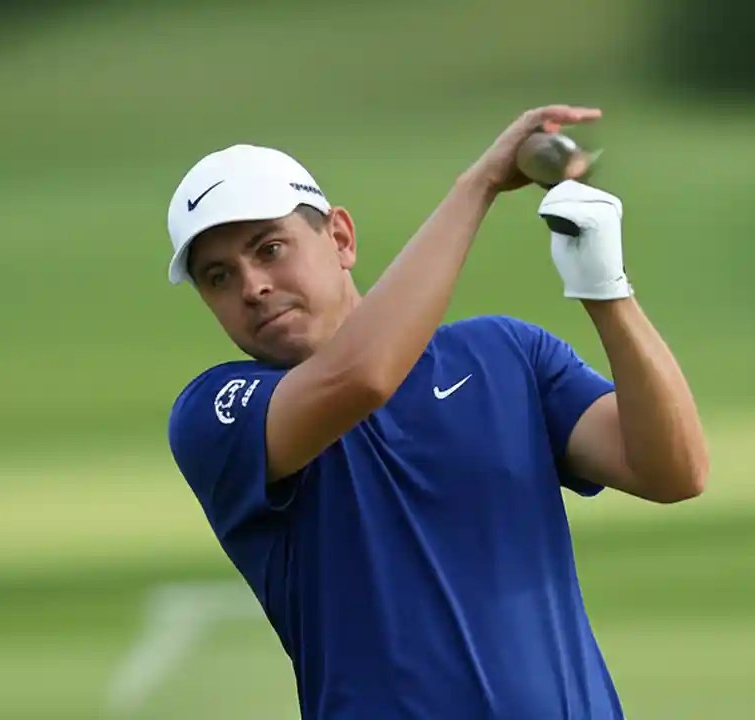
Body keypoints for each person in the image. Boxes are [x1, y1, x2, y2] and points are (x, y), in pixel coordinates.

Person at [164, 105, 708, 719]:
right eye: (218, 277)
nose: (252, 286)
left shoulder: (506, 354)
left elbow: (674, 471)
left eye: (270, 249)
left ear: (340, 238)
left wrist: (606, 289)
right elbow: (364, 375)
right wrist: (478, 186)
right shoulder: (219, 414)